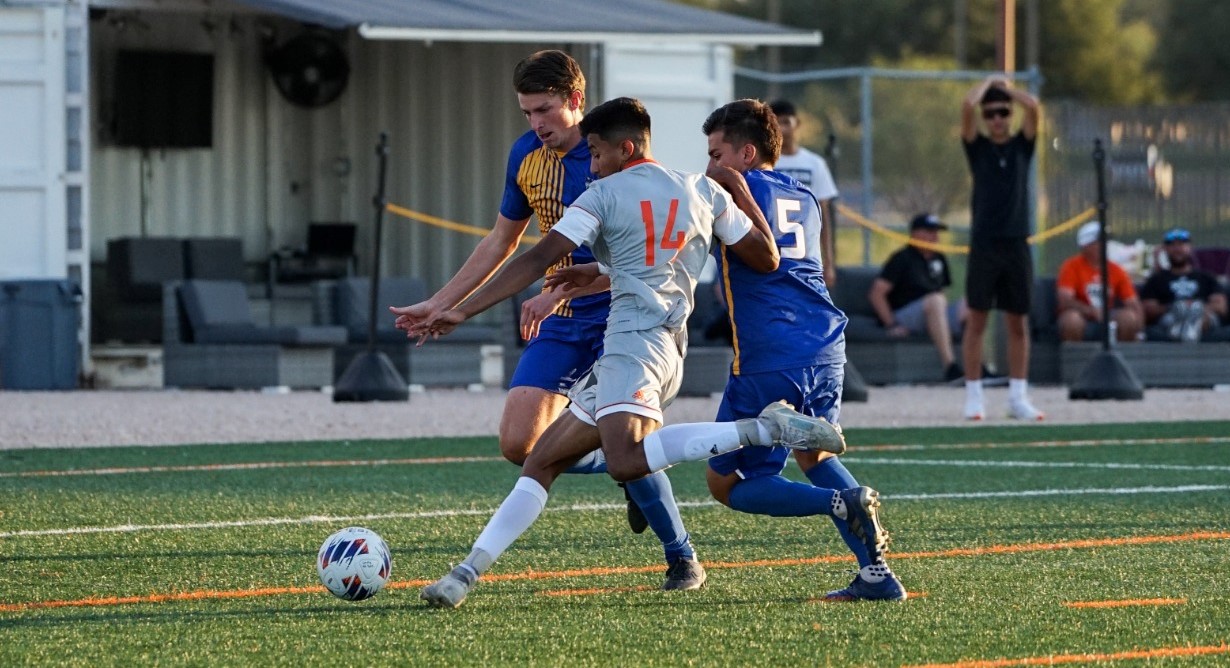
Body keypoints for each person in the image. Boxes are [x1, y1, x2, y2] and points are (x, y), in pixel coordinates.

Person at [410, 97, 849, 609]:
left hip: (635, 347)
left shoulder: (602, 196)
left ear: (625, 148)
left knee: (624, 463)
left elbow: (535, 258)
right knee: (541, 460)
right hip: (657, 346)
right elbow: (765, 255)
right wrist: (604, 275)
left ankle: (764, 430)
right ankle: (463, 576)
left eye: (595, 154)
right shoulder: (700, 187)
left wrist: (461, 309)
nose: (591, 167)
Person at [388, 50, 701, 589]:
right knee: (519, 443)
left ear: (576, 102)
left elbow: (649, 251)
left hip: (625, 317)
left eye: (545, 110)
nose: (536, 124)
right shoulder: (526, 156)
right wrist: (440, 303)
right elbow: (502, 241)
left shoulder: (618, 159)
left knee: (615, 434)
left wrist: (553, 290)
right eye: (527, 113)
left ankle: (681, 556)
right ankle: (625, 466)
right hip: (564, 313)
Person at [701, 99, 903, 601]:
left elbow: (669, 249)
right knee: (811, 453)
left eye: (716, 153)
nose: (709, 166)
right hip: (826, 345)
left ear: (746, 153)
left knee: (725, 483)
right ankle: (877, 576)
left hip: (770, 349)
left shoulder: (723, 194)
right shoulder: (806, 197)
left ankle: (837, 503)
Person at [959, 75, 1043, 421]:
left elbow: (1034, 107)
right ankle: (974, 396)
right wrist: (987, 85)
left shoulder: (1022, 146)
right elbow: (966, 106)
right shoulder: (977, 147)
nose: (997, 119)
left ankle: (1018, 396)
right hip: (984, 244)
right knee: (977, 319)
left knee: (1018, 322)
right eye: (991, 113)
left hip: (1016, 243)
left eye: (1003, 112)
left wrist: (1009, 91)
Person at [868, 213, 967, 383]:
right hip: (906, 315)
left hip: (934, 314)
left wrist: (941, 318)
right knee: (935, 300)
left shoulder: (939, 258)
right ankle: (950, 368)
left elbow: (942, 292)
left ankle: (977, 368)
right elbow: (876, 293)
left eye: (936, 231)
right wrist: (891, 324)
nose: (935, 236)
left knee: (971, 304)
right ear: (915, 233)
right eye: (929, 231)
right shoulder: (902, 258)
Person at [769, 99, 839, 287]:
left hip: (806, 255)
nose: (782, 129)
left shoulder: (814, 163)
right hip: (773, 254)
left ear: (796, 124)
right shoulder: (766, 164)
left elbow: (823, 215)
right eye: (776, 124)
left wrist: (829, 262)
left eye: (786, 122)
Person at [1055, 221, 1143, 343]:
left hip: (1109, 313)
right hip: (1080, 313)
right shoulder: (1071, 266)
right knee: (1072, 320)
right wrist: (1090, 311)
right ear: (1086, 244)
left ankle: (1123, 358)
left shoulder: (1116, 270)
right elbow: (1064, 299)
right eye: (1099, 241)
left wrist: (1139, 324)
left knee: (1128, 319)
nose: (1104, 245)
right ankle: (1075, 360)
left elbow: (1132, 302)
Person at [1140, 228, 1226, 342]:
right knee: (1171, 319)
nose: (1177, 249)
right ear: (1165, 249)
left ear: (1190, 248)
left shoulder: (1206, 277)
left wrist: (1195, 308)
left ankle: (1188, 329)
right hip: (1171, 317)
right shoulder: (1156, 280)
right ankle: (1187, 330)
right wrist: (1174, 307)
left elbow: (1220, 306)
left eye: (1181, 245)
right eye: (1172, 245)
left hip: (1203, 317)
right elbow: (1148, 309)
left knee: (1202, 318)